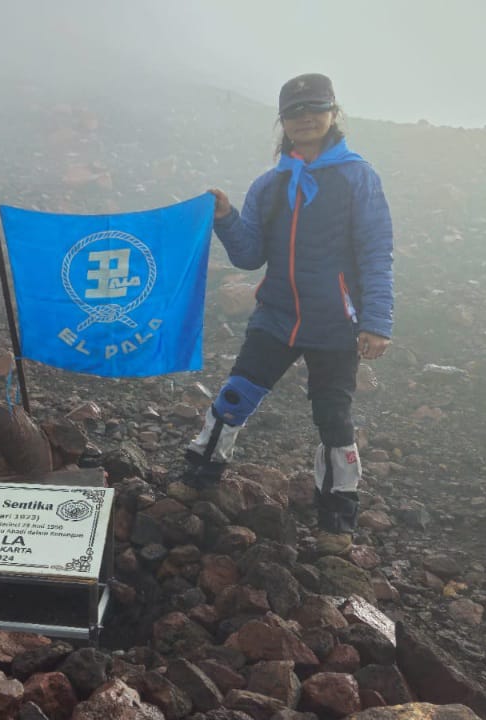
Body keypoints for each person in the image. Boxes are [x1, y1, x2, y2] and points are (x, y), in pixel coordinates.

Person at [183, 73, 394, 552]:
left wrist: (377, 322)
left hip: (336, 323)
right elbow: (249, 255)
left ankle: (336, 520)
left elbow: (376, 251)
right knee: (235, 396)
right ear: (283, 121)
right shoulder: (271, 184)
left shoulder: (358, 177)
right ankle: (199, 475)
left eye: (315, 108)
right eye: (294, 112)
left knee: (333, 418)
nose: (305, 118)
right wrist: (226, 218)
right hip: (276, 316)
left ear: (333, 113)